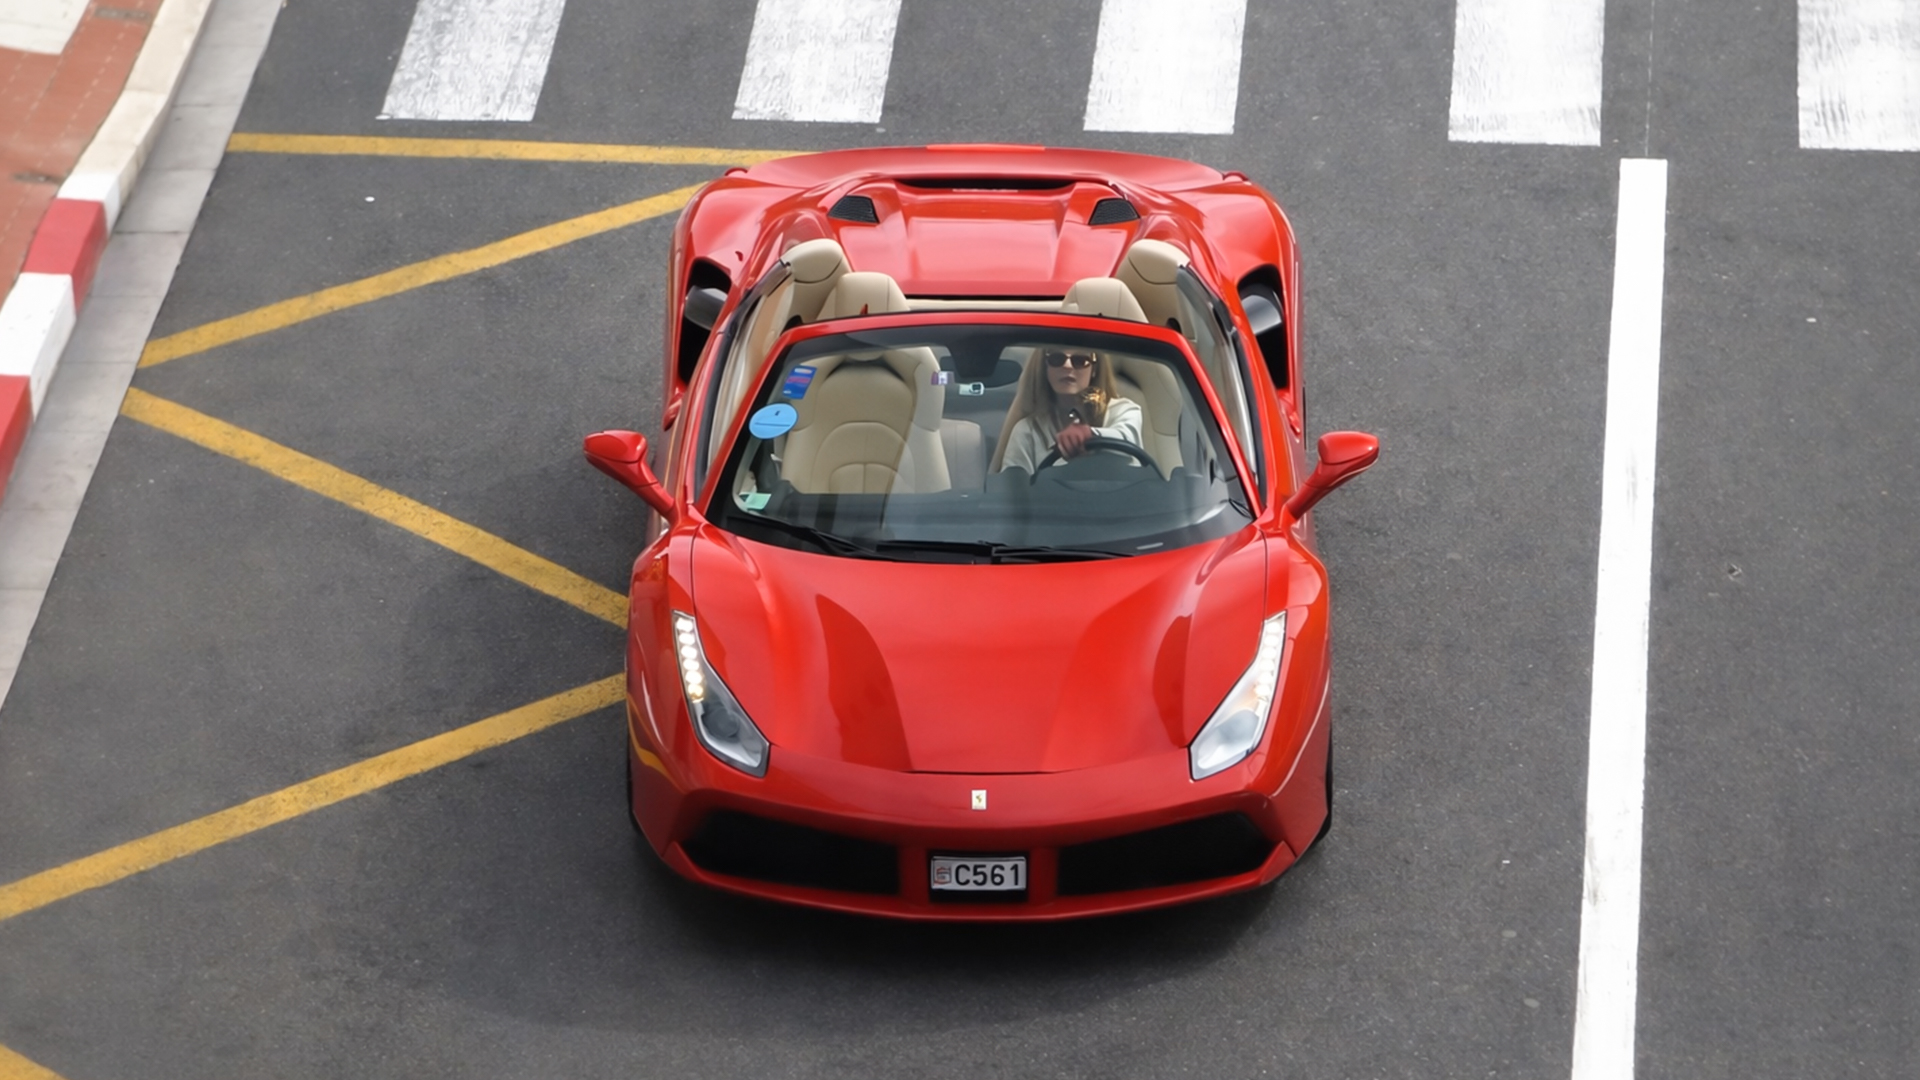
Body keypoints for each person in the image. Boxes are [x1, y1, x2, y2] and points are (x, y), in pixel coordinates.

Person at [999, 347, 1145, 473]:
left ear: (1094, 369)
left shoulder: (1124, 411)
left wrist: (1090, 434)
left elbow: (1128, 438)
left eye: (1080, 360)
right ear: (1045, 368)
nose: (1067, 366)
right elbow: (1012, 489)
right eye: (1056, 358)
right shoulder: (1028, 431)